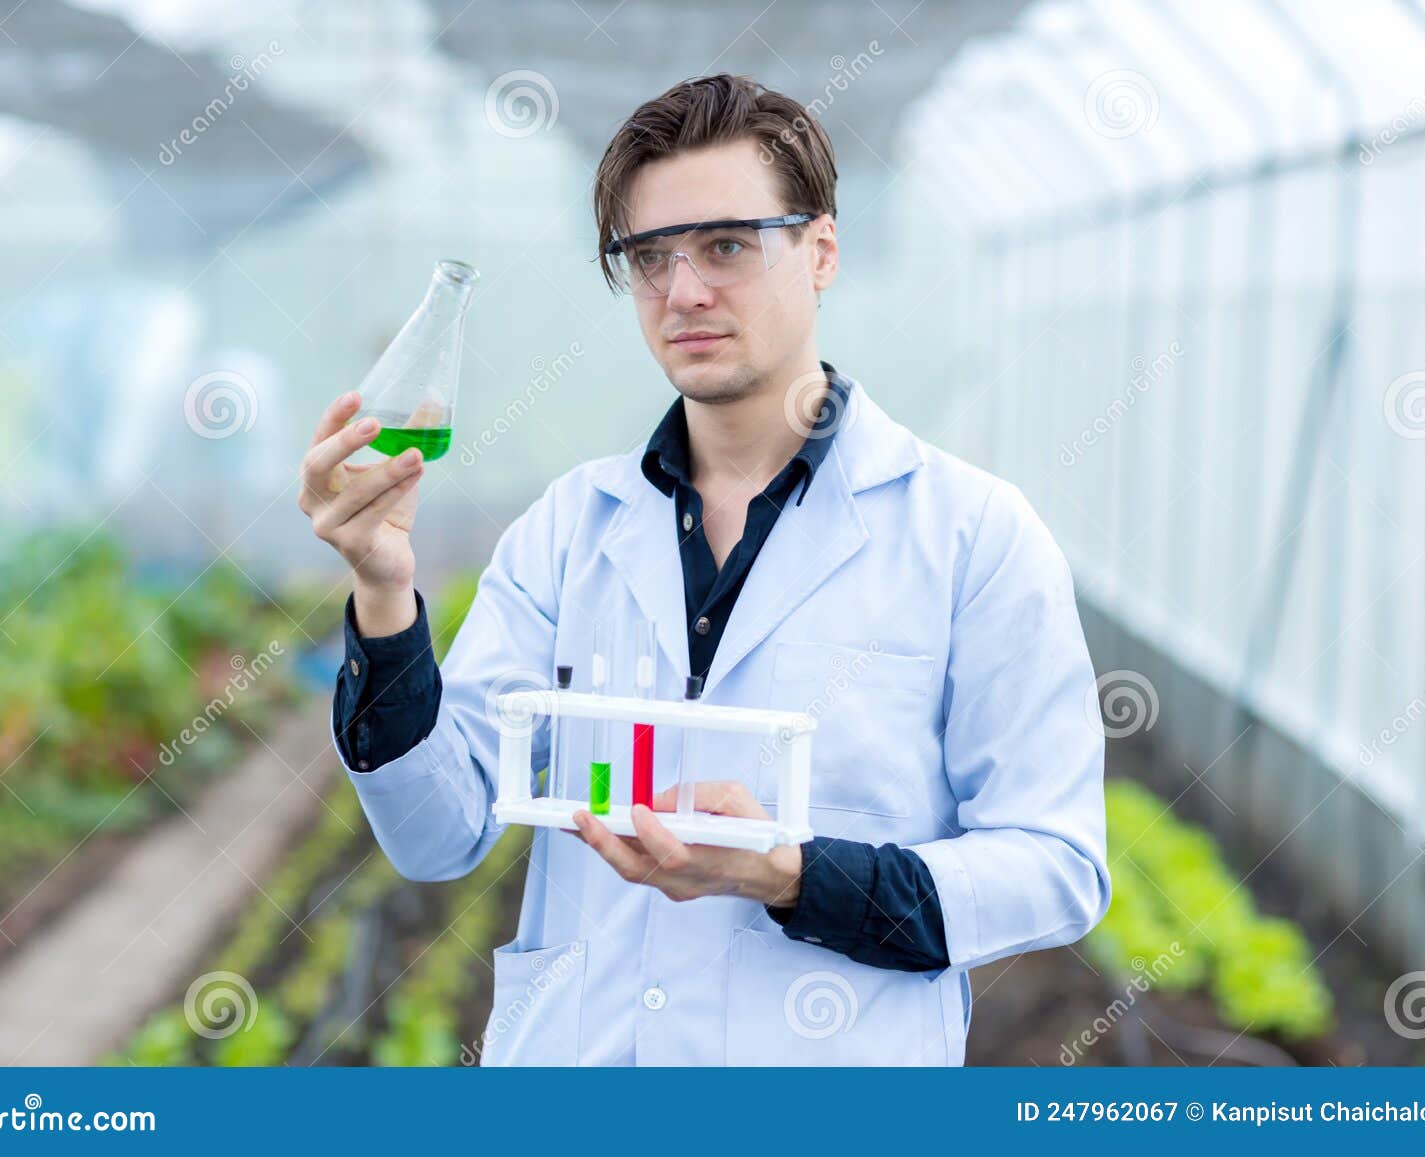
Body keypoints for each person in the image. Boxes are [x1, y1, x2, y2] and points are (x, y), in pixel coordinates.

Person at [297, 74, 1109, 1066]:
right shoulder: (570, 528)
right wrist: (383, 592)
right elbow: (438, 832)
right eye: (649, 256)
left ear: (821, 251)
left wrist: (789, 873)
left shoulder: (972, 536)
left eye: (726, 244)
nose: (683, 290)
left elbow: (1055, 865)